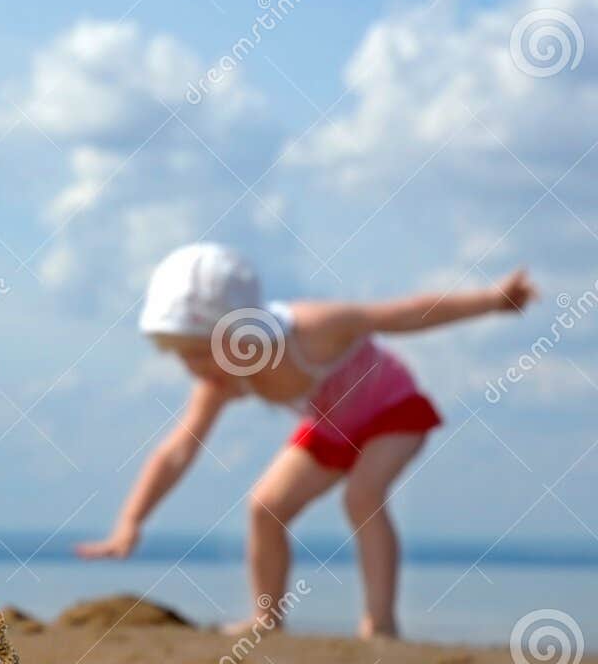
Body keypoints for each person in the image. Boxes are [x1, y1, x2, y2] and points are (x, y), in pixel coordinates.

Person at [76, 243, 536, 638]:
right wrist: (130, 521)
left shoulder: (312, 328)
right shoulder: (220, 380)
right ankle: (266, 619)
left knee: (362, 497)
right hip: (330, 425)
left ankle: (380, 624)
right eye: (181, 354)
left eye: (201, 351)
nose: (193, 367)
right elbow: (178, 449)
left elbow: (402, 313)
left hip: (392, 410)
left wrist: (492, 300)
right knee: (265, 507)